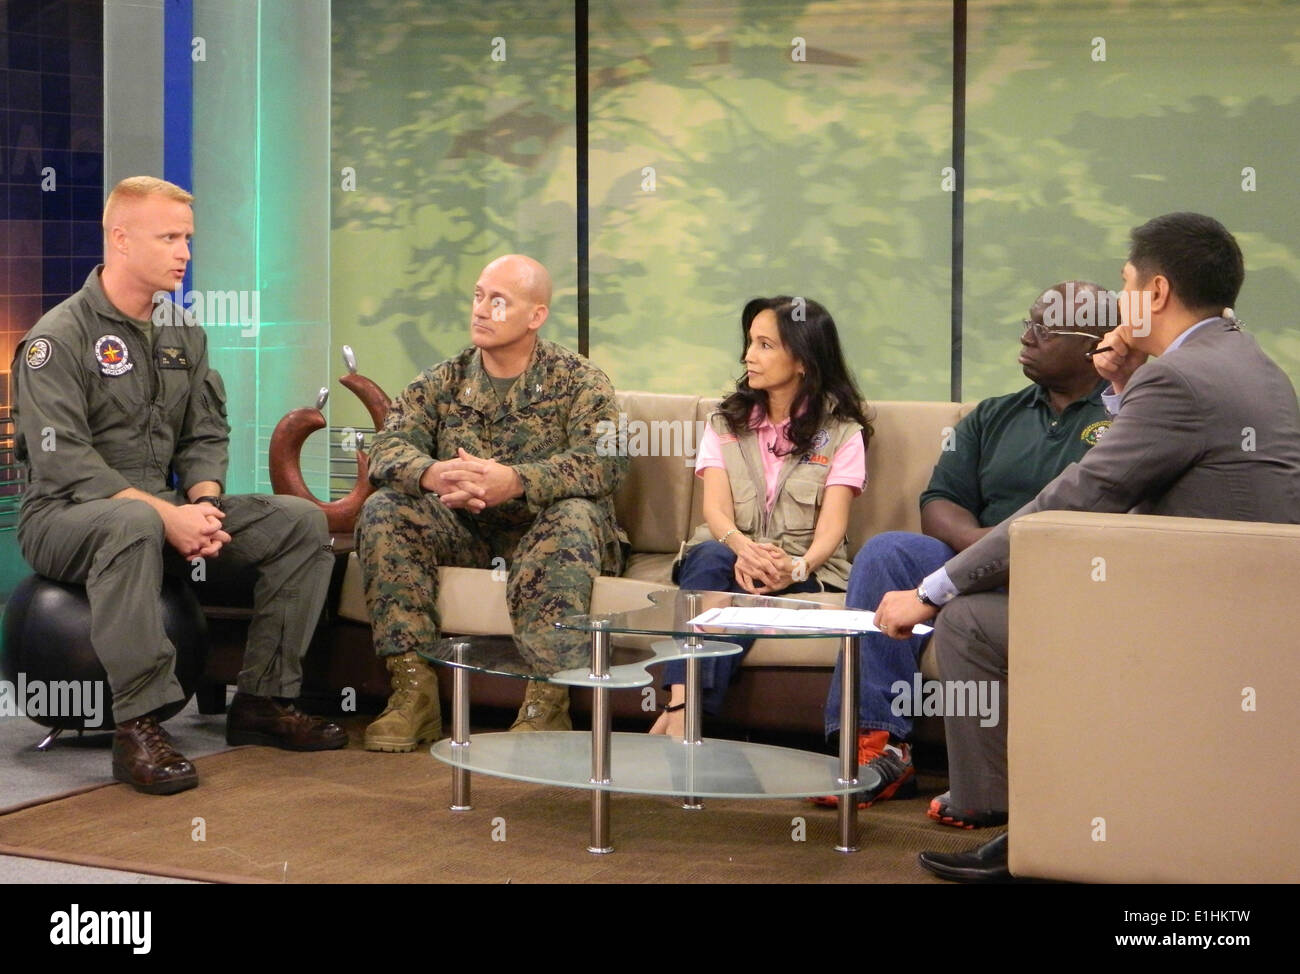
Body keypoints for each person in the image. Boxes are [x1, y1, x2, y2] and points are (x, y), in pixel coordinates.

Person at [872, 213, 1300, 881]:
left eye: (1127, 283)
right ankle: (1035, 824)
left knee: (969, 623)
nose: (1120, 298)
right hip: (1248, 619)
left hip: (1182, 624)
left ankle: (1012, 823)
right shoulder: (1258, 368)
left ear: (1155, 292)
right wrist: (1126, 383)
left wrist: (930, 591)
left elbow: (1071, 502)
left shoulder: (1179, 378)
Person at [13, 176, 344, 796]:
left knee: (301, 523)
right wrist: (166, 519)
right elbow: (67, 463)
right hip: (64, 515)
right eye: (169, 237)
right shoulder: (58, 338)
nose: (184, 253)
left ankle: (264, 702)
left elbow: (203, 434)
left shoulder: (181, 331)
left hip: (161, 509)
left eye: (187, 238)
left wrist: (203, 506)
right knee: (134, 522)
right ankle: (139, 726)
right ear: (120, 239)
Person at [817, 282, 1116, 814]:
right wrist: (984, 547)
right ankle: (879, 748)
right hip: (975, 565)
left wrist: (1013, 551)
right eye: (1028, 322)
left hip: (1062, 571)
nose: (1025, 336)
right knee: (887, 552)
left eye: (1042, 330)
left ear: (1092, 343)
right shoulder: (991, 415)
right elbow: (939, 501)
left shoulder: (1123, 420)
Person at [356, 255, 626, 750]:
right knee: (386, 509)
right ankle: (413, 694)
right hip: (469, 531)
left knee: (573, 514)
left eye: (499, 301)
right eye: (479, 296)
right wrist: (433, 473)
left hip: (550, 533)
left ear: (536, 315)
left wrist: (517, 481)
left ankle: (548, 701)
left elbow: (604, 464)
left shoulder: (581, 381)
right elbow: (386, 448)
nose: (482, 310)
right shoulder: (442, 380)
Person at [649, 296, 870, 737]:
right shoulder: (724, 421)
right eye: (750, 342)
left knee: (752, 590)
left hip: (800, 565)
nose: (749, 355)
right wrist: (742, 548)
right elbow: (714, 510)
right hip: (727, 547)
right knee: (711, 561)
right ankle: (686, 707)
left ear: (803, 359)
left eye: (765, 345)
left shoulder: (843, 433)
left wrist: (796, 566)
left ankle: (679, 715)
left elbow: (832, 528)